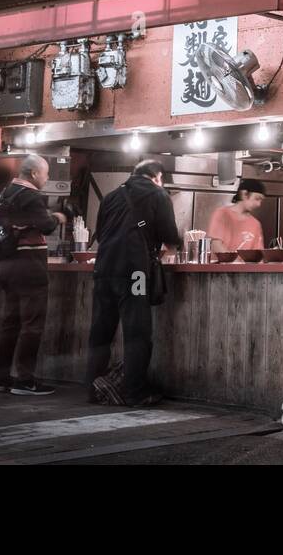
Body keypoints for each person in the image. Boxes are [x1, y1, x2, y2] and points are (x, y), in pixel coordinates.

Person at [85, 160, 182, 406]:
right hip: (135, 272)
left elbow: (101, 231)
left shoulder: (110, 196)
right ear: (157, 176)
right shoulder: (158, 195)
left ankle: (93, 388)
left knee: (101, 332)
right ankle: (134, 392)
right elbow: (170, 239)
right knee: (137, 332)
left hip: (104, 269)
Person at [0, 154, 66, 396]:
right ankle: (25, 380)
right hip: (29, 265)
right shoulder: (31, 196)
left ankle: (0, 379)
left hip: (5, 264)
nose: (47, 177)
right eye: (46, 173)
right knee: (32, 325)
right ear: (34, 174)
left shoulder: (5, 193)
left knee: (10, 323)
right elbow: (47, 226)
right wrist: (58, 216)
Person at [207, 178, 267, 253]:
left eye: (261, 200)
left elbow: (258, 254)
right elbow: (215, 245)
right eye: (257, 199)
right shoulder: (222, 214)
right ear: (244, 194)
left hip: (244, 265)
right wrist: (234, 262)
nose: (259, 204)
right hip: (221, 264)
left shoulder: (256, 224)